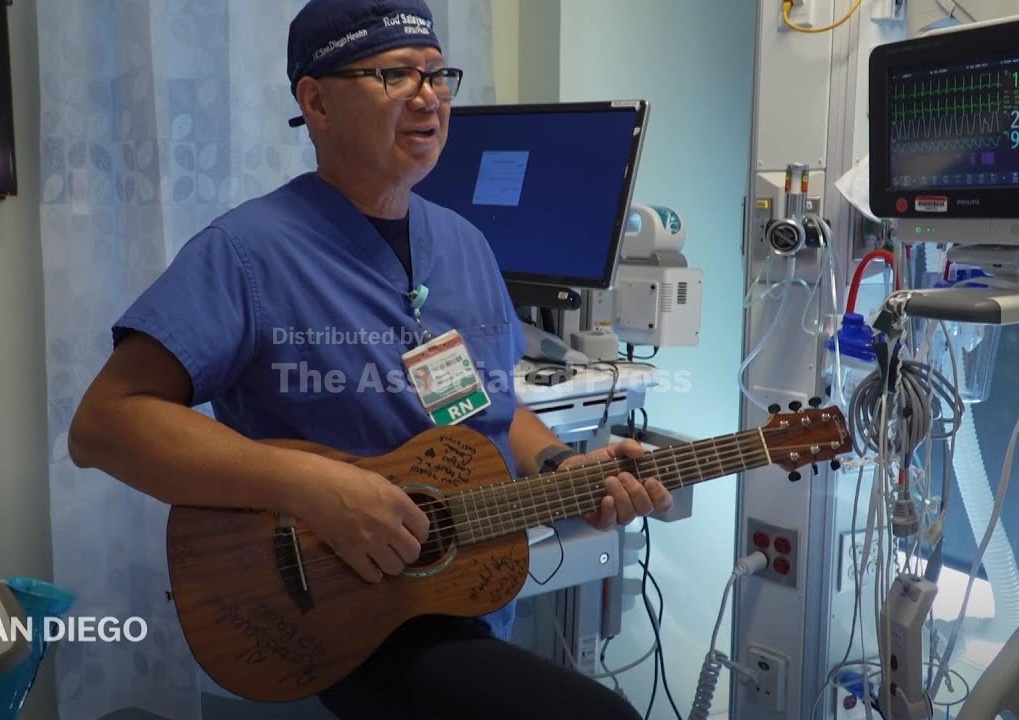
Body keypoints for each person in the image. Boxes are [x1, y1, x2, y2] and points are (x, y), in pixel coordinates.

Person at [68, 0, 673, 717]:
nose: (429, 95)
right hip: (335, 609)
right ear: (316, 102)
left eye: (436, 74)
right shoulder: (247, 253)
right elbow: (105, 424)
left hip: (459, 596)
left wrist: (563, 468)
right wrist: (311, 486)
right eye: (394, 74)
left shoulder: (466, 247)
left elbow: (489, 412)